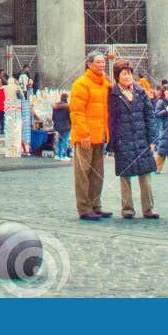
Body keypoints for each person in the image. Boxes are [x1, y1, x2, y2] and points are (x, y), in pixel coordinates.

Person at [107, 62, 159, 219]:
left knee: (145, 175)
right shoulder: (113, 94)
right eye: (124, 74)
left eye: (129, 73)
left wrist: (152, 139)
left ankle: (148, 209)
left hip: (141, 138)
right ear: (117, 77)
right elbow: (111, 120)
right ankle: (127, 208)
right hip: (123, 140)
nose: (128, 76)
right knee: (125, 176)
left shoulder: (141, 91)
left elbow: (149, 116)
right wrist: (113, 144)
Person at [70, 51, 112, 220]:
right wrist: (84, 134)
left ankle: (96, 205)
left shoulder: (104, 84)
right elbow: (77, 112)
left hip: (100, 136)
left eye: (103, 62)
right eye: (98, 63)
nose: (102, 65)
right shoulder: (81, 84)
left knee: (97, 174)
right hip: (85, 137)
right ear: (89, 64)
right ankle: (84, 207)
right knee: (83, 174)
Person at [51, 93, 72, 160]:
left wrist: (56, 123)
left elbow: (53, 117)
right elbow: (69, 117)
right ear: (67, 98)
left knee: (59, 140)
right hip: (66, 125)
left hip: (57, 126)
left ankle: (58, 155)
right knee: (65, 140)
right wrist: (71, 124)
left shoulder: (55, 106)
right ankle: (64, 155)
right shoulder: (67, 107)